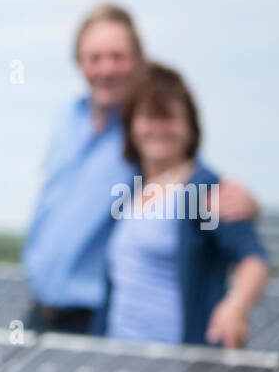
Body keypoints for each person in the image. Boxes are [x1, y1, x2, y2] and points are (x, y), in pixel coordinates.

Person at [21, 4, 260, 334]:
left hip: (91, 315)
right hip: (41, 307)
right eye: (95, 57)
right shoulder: (67, 117)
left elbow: (188, 182)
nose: (106, 68)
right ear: (79, 62)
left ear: (138, 61)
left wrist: (243, 204)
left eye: (117, 57)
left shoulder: (146, 130)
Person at [101, 63, 269, 346]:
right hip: (120, 358)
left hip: (179, 367)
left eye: (169, 118)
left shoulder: (205, 190)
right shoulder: (130, 191)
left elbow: (254, 260)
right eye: (148, 117)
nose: (158, 128)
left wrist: (237, 306)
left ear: (191, 128)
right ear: (130, 126)